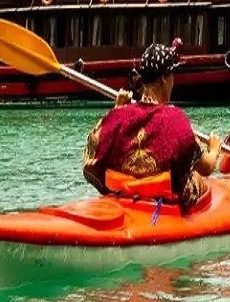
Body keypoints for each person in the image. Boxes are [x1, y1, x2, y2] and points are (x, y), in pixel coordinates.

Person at [84, 42, 222, 210]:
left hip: (124, 195)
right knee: (198, 181)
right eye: (172, 75)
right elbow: (206, 167)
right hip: (161, 202)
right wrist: (214, 149)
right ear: (164, 78)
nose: (173, 81)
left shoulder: (119, 116)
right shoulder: (176, 120)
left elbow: (92, 154)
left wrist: (117, 110)